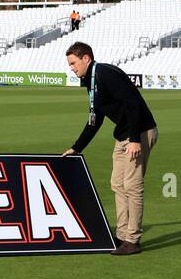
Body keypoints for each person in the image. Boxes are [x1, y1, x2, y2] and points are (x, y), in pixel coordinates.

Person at [62, 41, 158, 255]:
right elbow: (94, 119)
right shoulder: (90, 80)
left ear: (86, 58)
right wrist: (76, 147)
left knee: (132, 185)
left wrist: (134, 139)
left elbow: (131, 102)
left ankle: (132, 240)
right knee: (117, 183)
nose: (71, 68)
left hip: (139, 132)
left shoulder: (105, 73)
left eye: (73, 63)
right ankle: (122, 235)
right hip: (124, 135)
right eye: (69, 65)